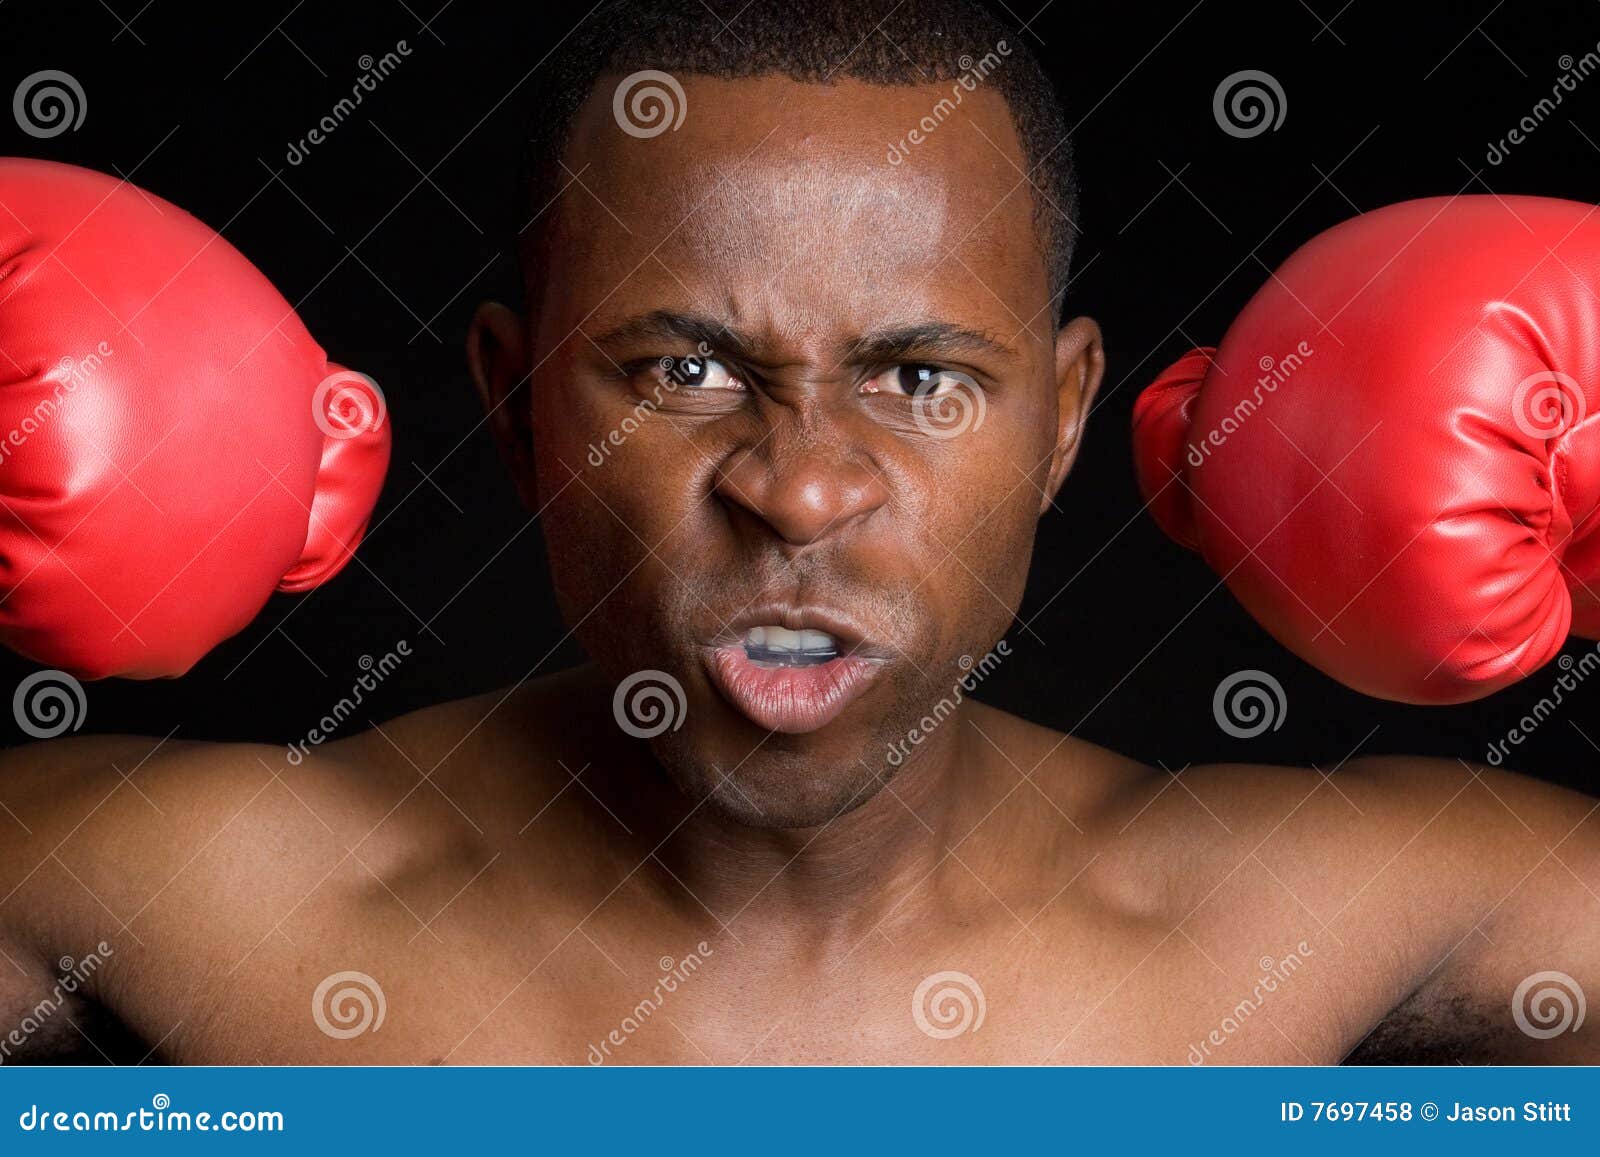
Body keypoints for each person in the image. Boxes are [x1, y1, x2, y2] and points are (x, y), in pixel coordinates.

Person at [0, 0, 1594, 1065]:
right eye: (684, 371)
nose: (801, 490)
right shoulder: (185, 899)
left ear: (1062, 422)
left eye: (920, 378)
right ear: (516, 406)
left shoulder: (1324, 924)